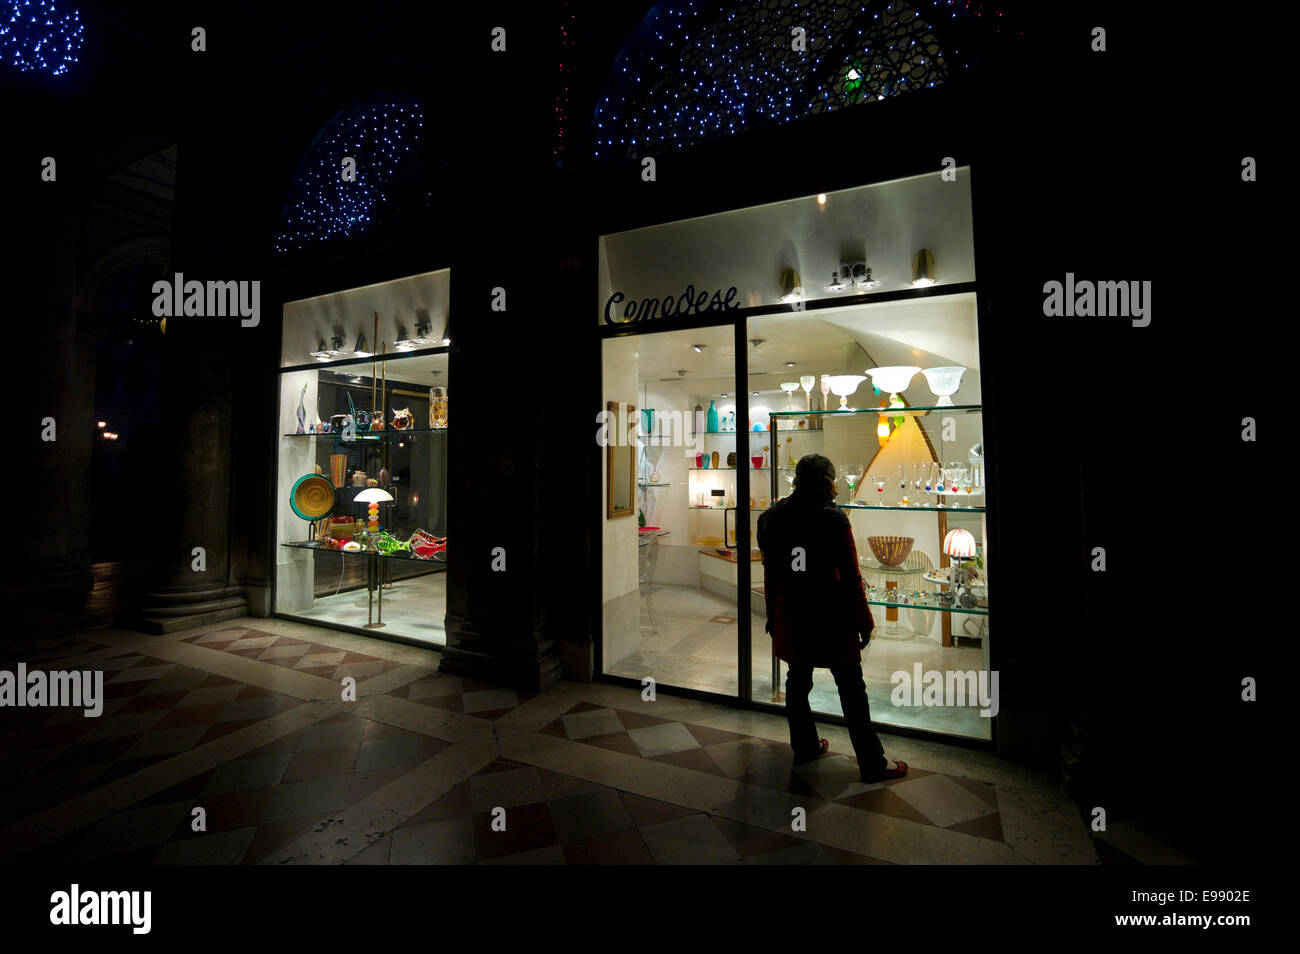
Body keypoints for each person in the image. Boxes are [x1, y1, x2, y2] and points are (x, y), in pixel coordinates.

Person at [757, 453, 907, 782]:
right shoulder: (834, 519)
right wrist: (865, 622)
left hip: (795, 614)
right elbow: (851, 578)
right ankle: (871, 762)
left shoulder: (775, 517)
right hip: (831, 616)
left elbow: (772, 575)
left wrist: (773, 614)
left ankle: (806, 746)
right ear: (828, 481)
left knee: (797, 683)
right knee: (852, 689)